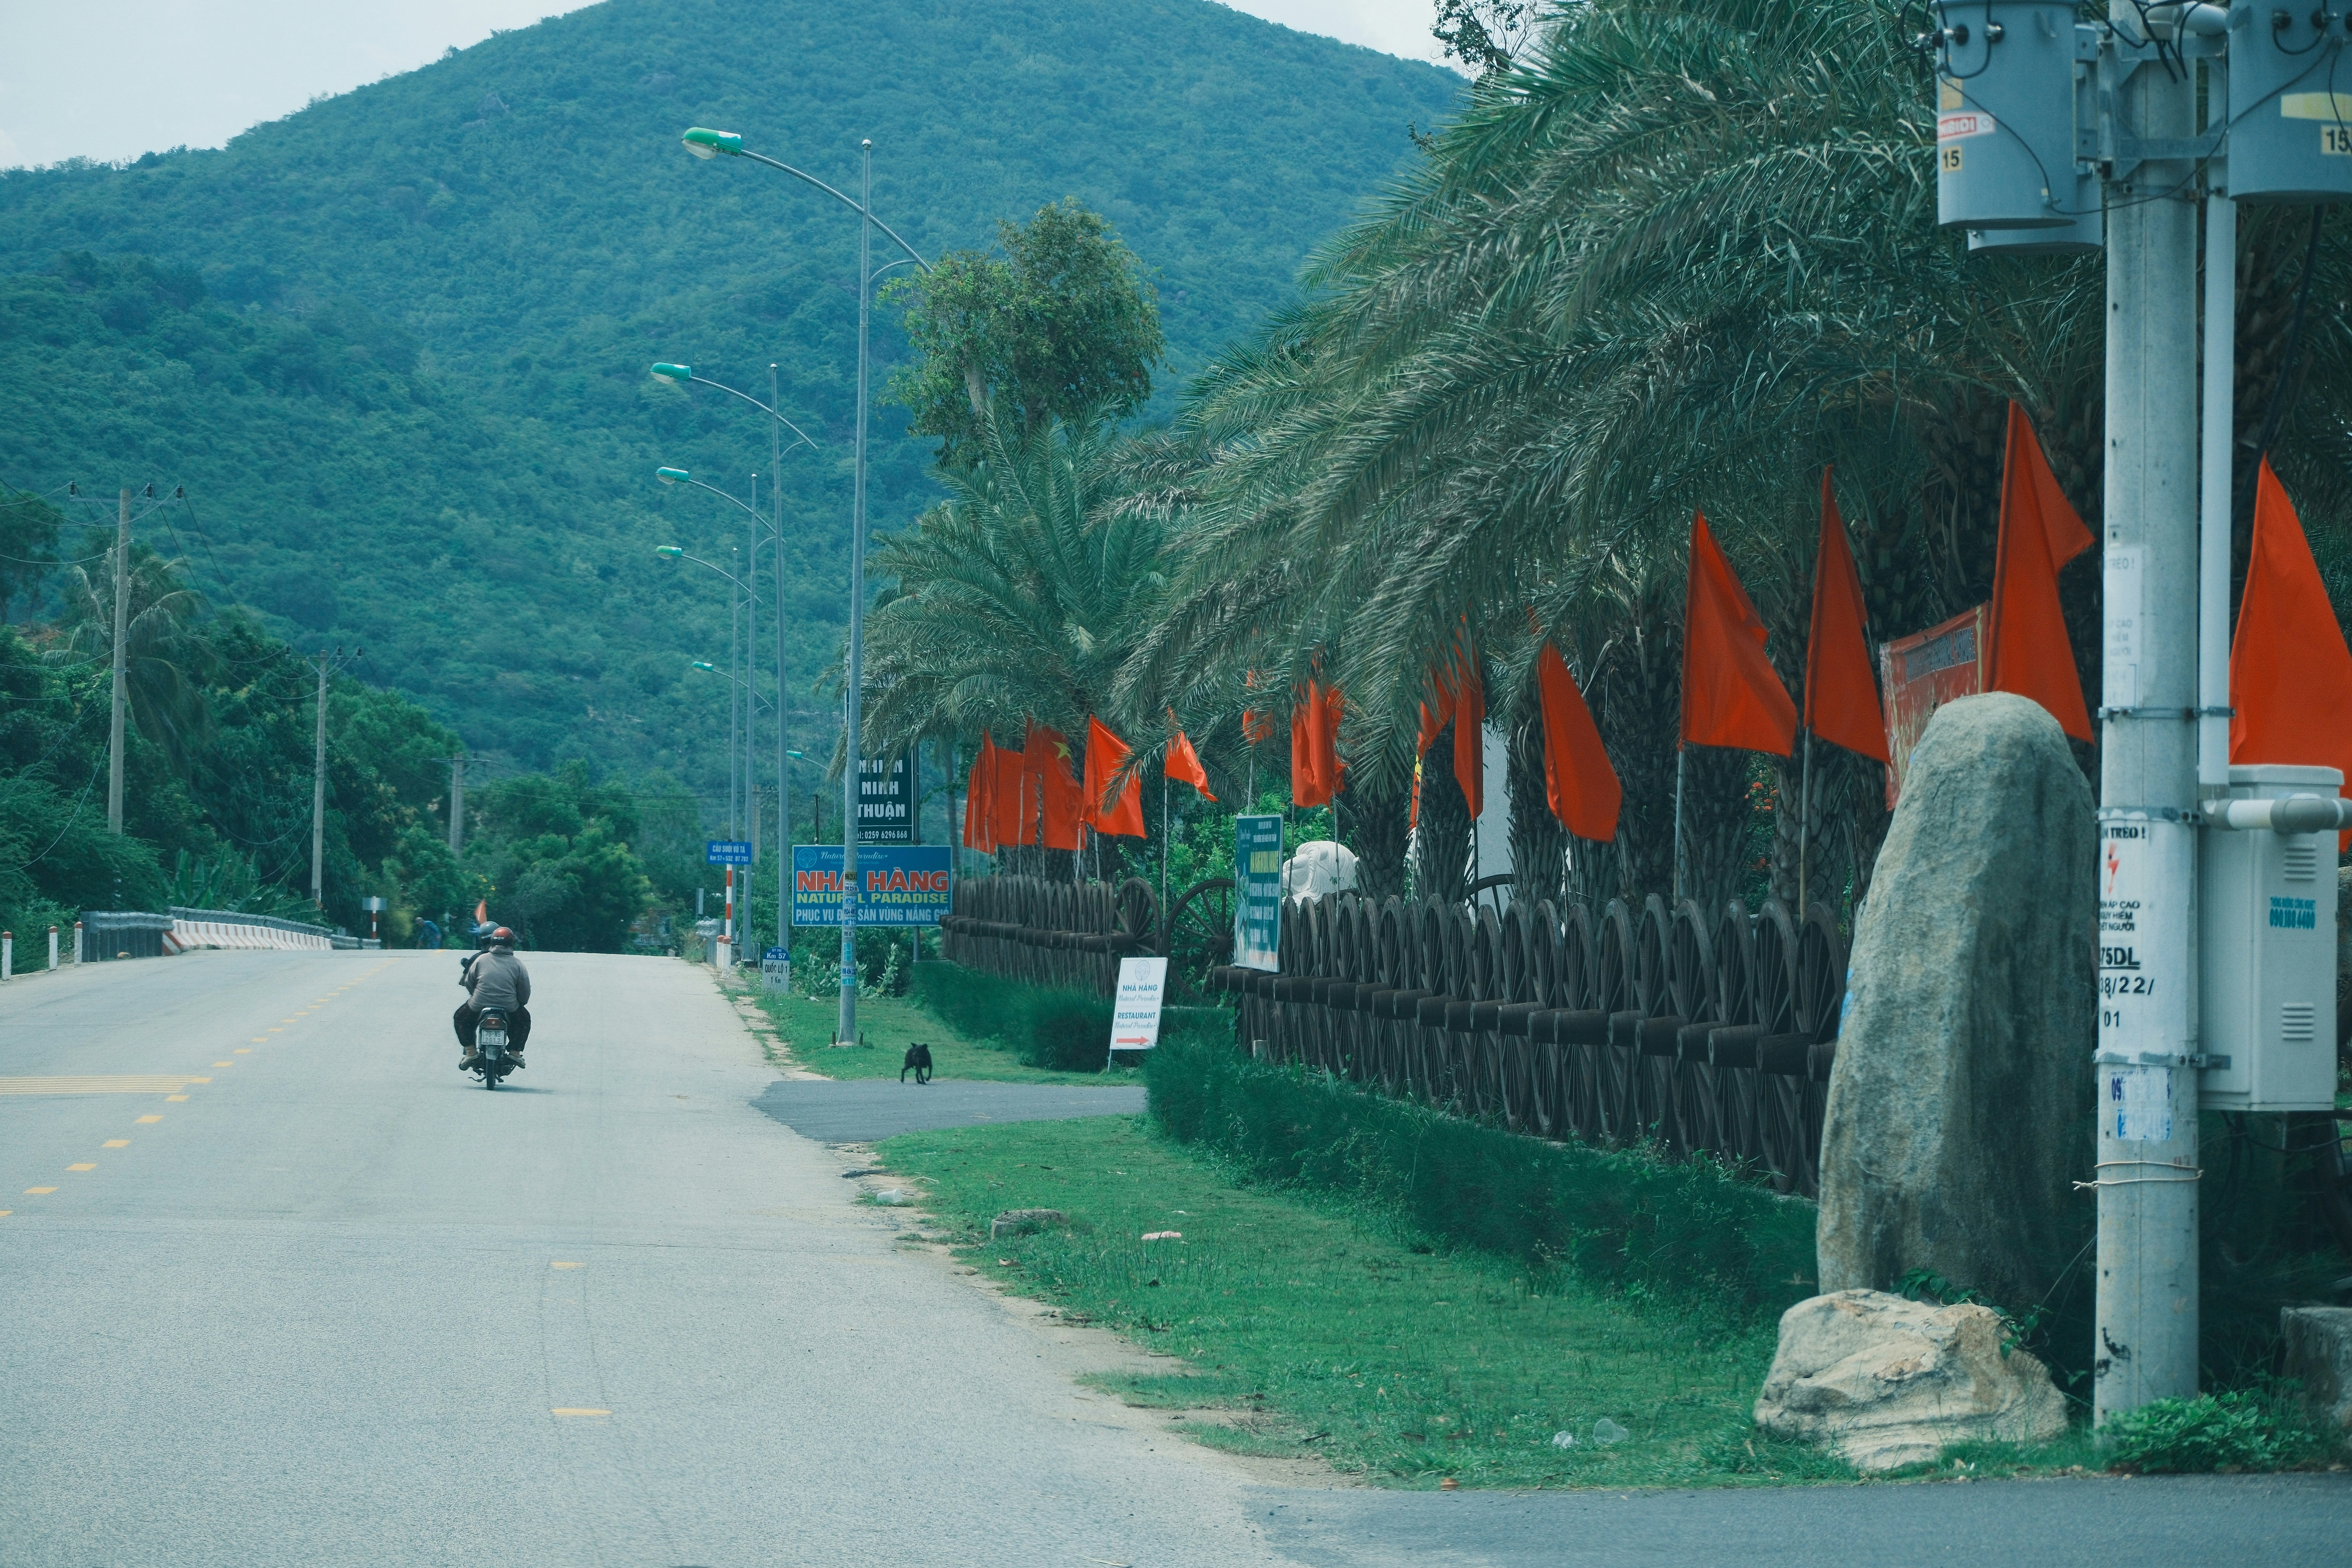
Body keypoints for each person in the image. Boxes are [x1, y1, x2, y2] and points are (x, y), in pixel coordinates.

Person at [454, 926, 533, 1070]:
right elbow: (525, 991)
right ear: (512, 944)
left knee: (460, 1018)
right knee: (524, 1020)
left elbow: (469, 982)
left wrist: (476, 995)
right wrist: (520, 1004)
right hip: (509, 1006)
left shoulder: (481, 960)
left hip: (479, 1003)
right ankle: (515, 1053)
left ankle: (471, 1052)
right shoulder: (518, 964)